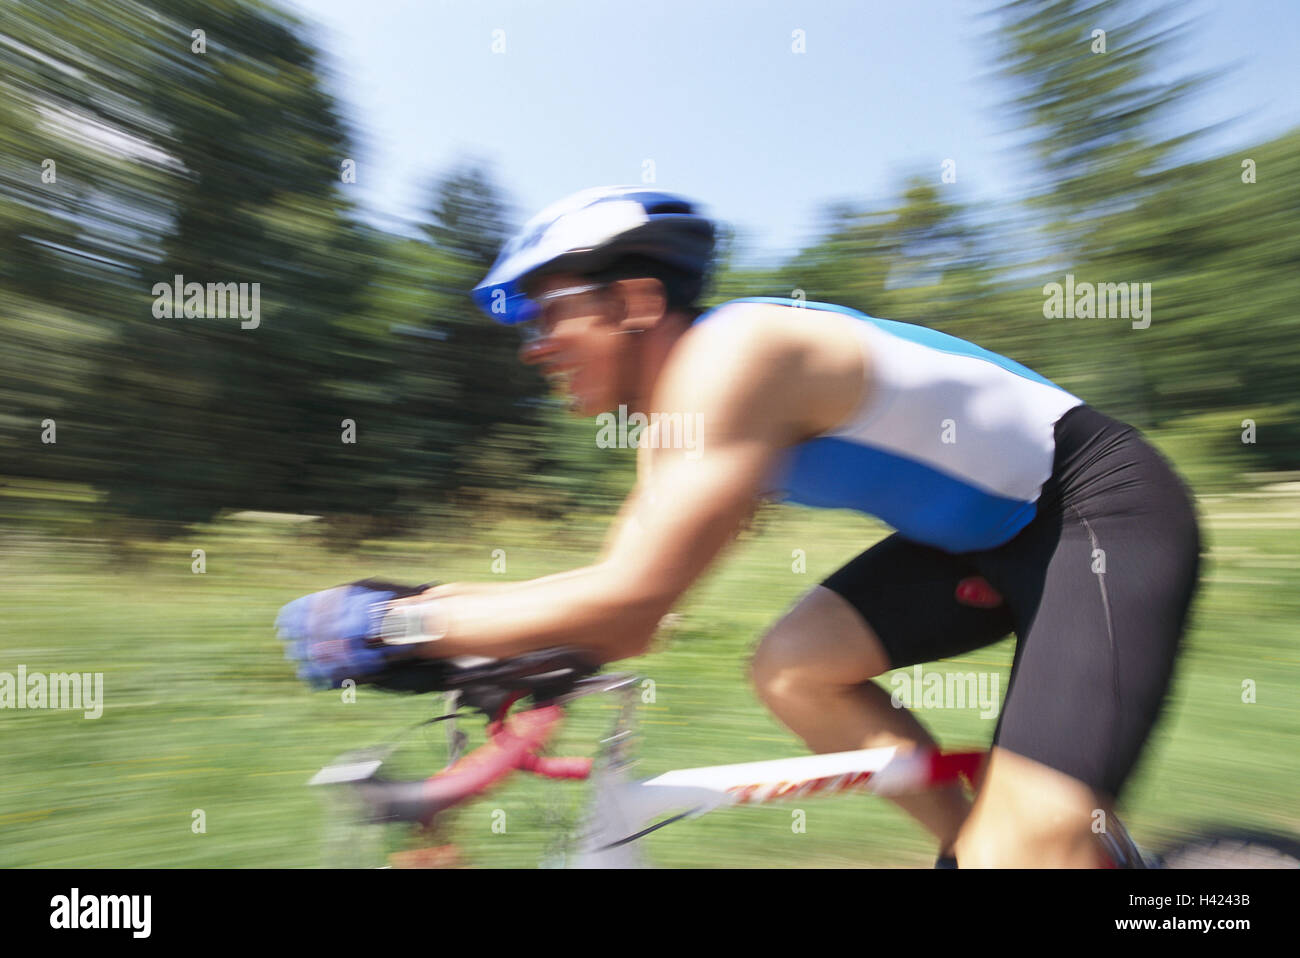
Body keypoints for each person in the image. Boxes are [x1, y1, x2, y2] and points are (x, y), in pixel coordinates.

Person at [283, 186, 1202, 867]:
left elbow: (629, 605)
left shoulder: (736, 356)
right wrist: (496, 644)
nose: (533, 345)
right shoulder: (669, 423)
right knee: (792, 669)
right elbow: (624, 592)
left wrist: (392, 622)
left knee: (1031, 855)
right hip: (980, 540)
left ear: (636, 303)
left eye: (548, 312)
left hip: (1099, 513)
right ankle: (973, 846)